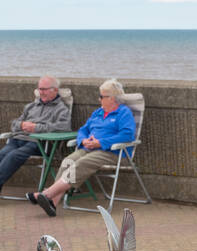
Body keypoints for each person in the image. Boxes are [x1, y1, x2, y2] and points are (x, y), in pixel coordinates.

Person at [27, 78, 134, 216]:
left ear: (112, 98)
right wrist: (83, 140)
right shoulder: (98, 113)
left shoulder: (124, 113)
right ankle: (53, 203)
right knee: (68, 161)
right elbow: (83, 130)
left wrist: (101, 142)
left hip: (113, 153)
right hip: (90, 148)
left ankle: (47, 194)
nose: (99, 99)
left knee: (81, 164)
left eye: (102, 96)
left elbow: (127, 135)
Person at [0, 76, 69, 206]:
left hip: (39, 143)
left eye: (44, 89)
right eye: (40, 89)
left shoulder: (61, 109)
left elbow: (64, 127)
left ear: (55, 90)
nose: (41, 92)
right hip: (18, 138)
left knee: (14, 155)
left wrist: (36, 128)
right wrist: (22, 125)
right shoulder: (31, 106)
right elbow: (14, 124)